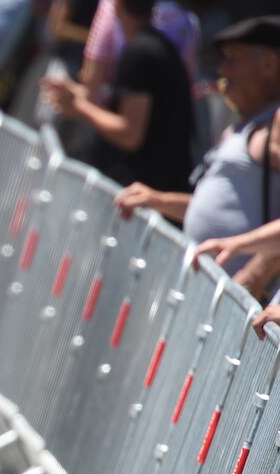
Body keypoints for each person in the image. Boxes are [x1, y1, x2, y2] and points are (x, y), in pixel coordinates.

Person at [120, 15, 280, 298]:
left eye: (233, 59)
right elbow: (226, 206)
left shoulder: (274, 126)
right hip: (206, 293)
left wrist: (255, 274)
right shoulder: (244, 126)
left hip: (234, 300)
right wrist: (157, 200)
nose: (222, 68)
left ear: (268, 65)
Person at [40, 0, 195, 197]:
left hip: (144, 191)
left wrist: (78, 104)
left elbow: (130, 134)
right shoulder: (159, 48)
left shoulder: (139, 54)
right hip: (154, 187)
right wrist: (75, 96)